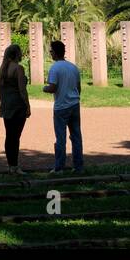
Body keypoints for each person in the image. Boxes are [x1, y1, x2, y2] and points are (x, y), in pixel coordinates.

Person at [43, 40, 83, 173]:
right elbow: (78, 88)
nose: (50, 53)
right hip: (75, 104)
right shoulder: (73, 67)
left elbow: (53, 87)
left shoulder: (54, 68)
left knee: (61, 138)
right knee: (76, 136)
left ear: (54, 52)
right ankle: (78, 167)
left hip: (61, 107)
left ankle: (59, 167)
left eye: (51, 51)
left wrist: (45, 88)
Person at [0, 44, 32, 174]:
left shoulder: (2, 69)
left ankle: (11, 165)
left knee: (9, 136)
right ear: (17, 54)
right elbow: (22, 90)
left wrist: (4, 101)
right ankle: (15, 166)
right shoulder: (18, 68)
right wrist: (27, 105)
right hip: (18, 105)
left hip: (6, 105)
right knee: (16, 137)